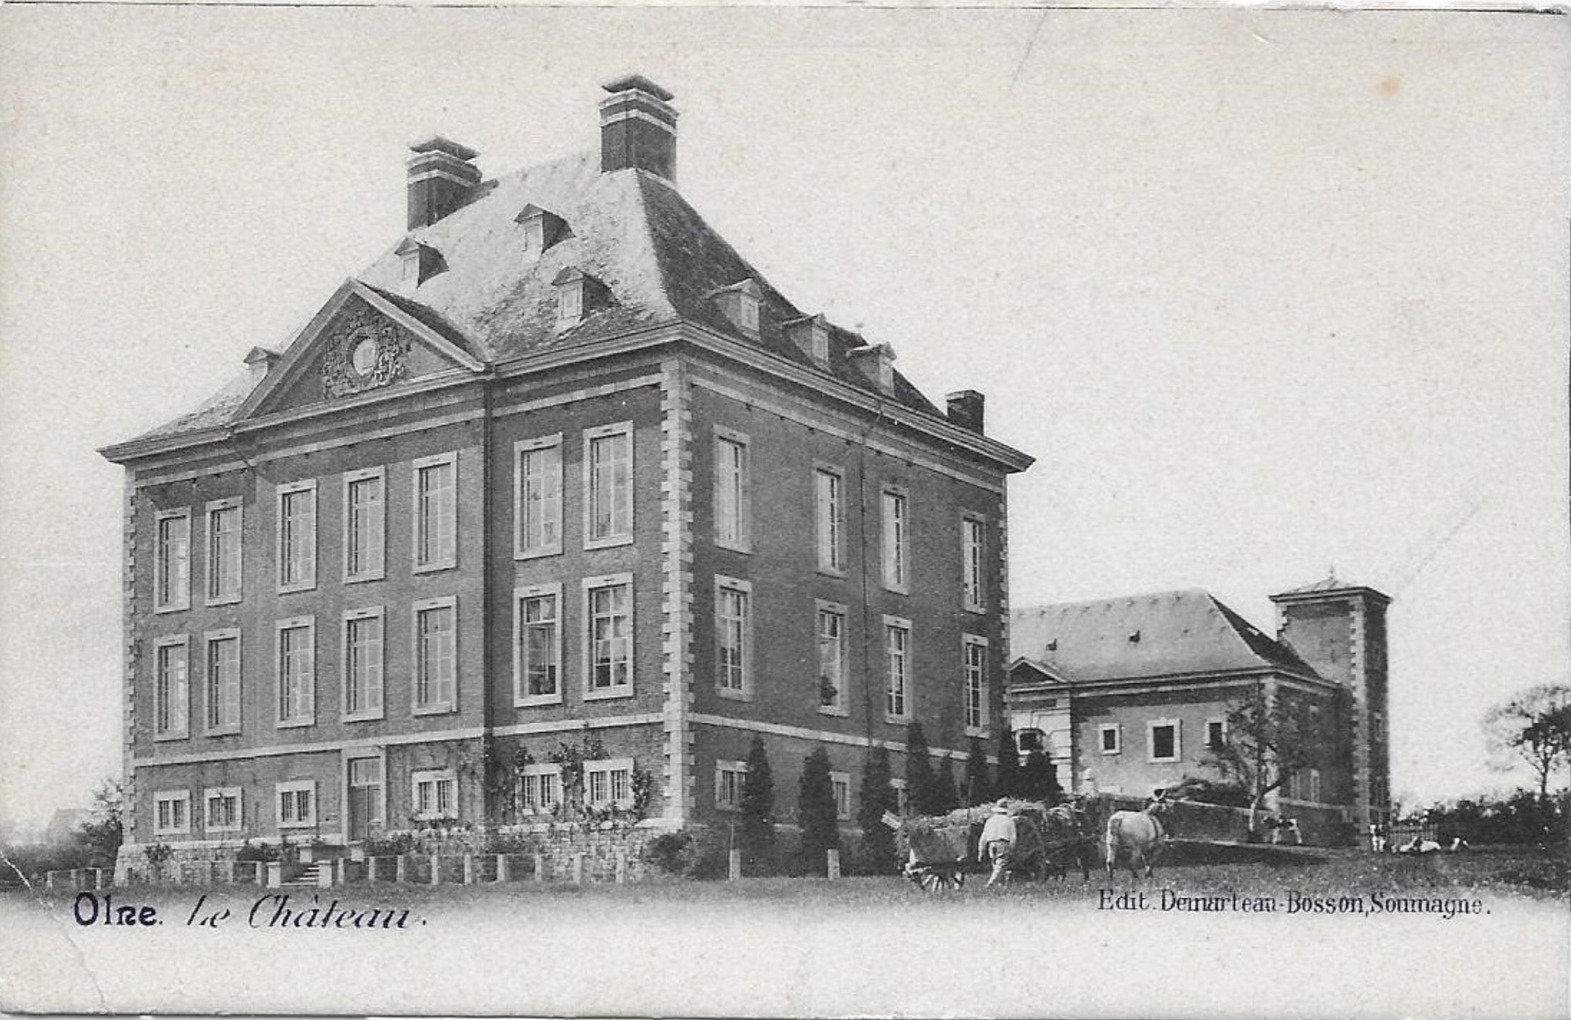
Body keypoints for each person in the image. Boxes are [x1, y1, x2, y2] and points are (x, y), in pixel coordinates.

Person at [978, 801, 1019, 888]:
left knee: (995, 864)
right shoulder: (1009, 821)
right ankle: (990, 883)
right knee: (1001, 864)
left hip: (991, 844)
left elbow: (984, 836)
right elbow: (1013, 837)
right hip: (1002, 843)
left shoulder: (990, 820)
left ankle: (1002, 886)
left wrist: (981, 850)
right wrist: (1012, 848)